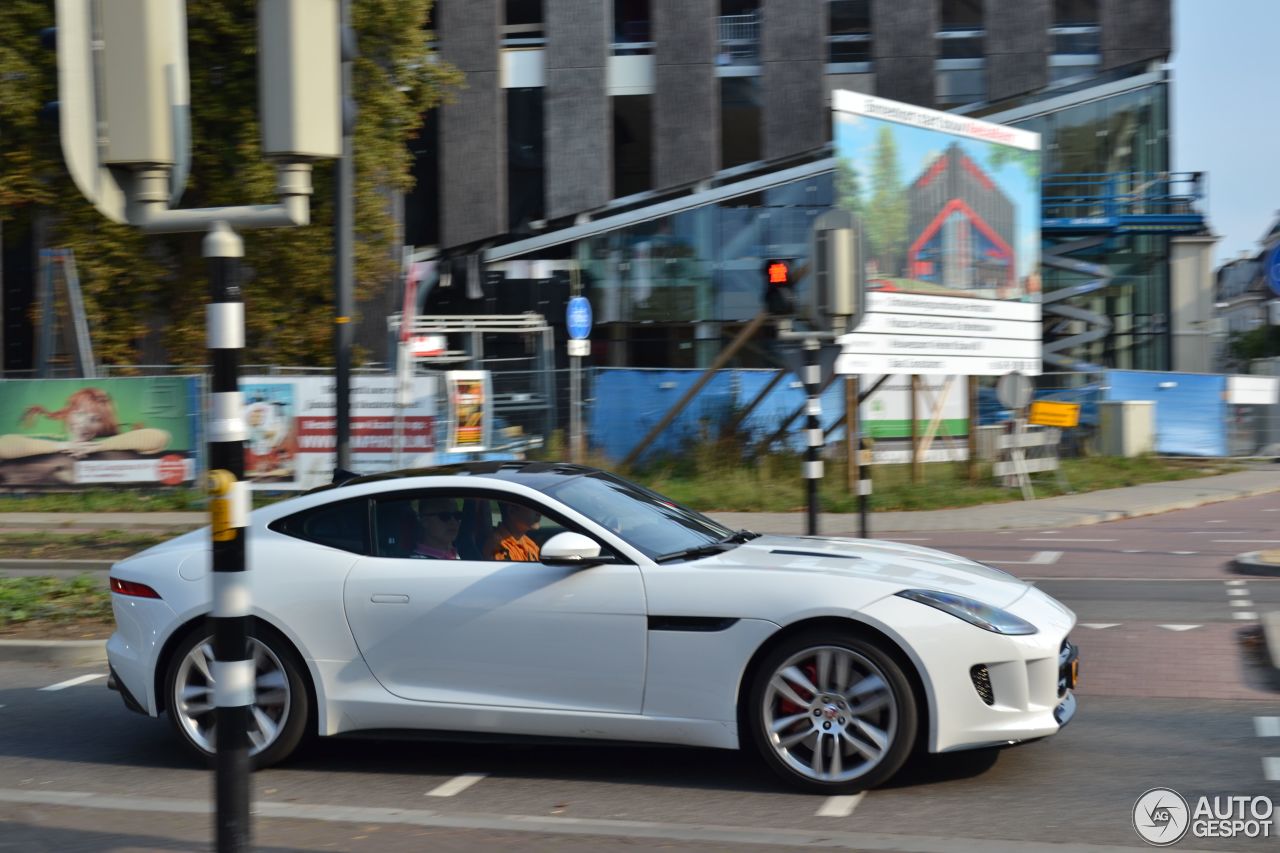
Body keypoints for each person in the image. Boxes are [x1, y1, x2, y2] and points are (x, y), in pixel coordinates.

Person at [0, 387, 169, 460]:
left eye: (95, 419)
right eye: (79, 414)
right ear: (68, 414)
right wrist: (63, 446)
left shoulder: (113, 441)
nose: (84, 423)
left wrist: (98, 447)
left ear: (103, 424)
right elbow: (3, 445)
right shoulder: (52, 439)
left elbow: (159, 437)